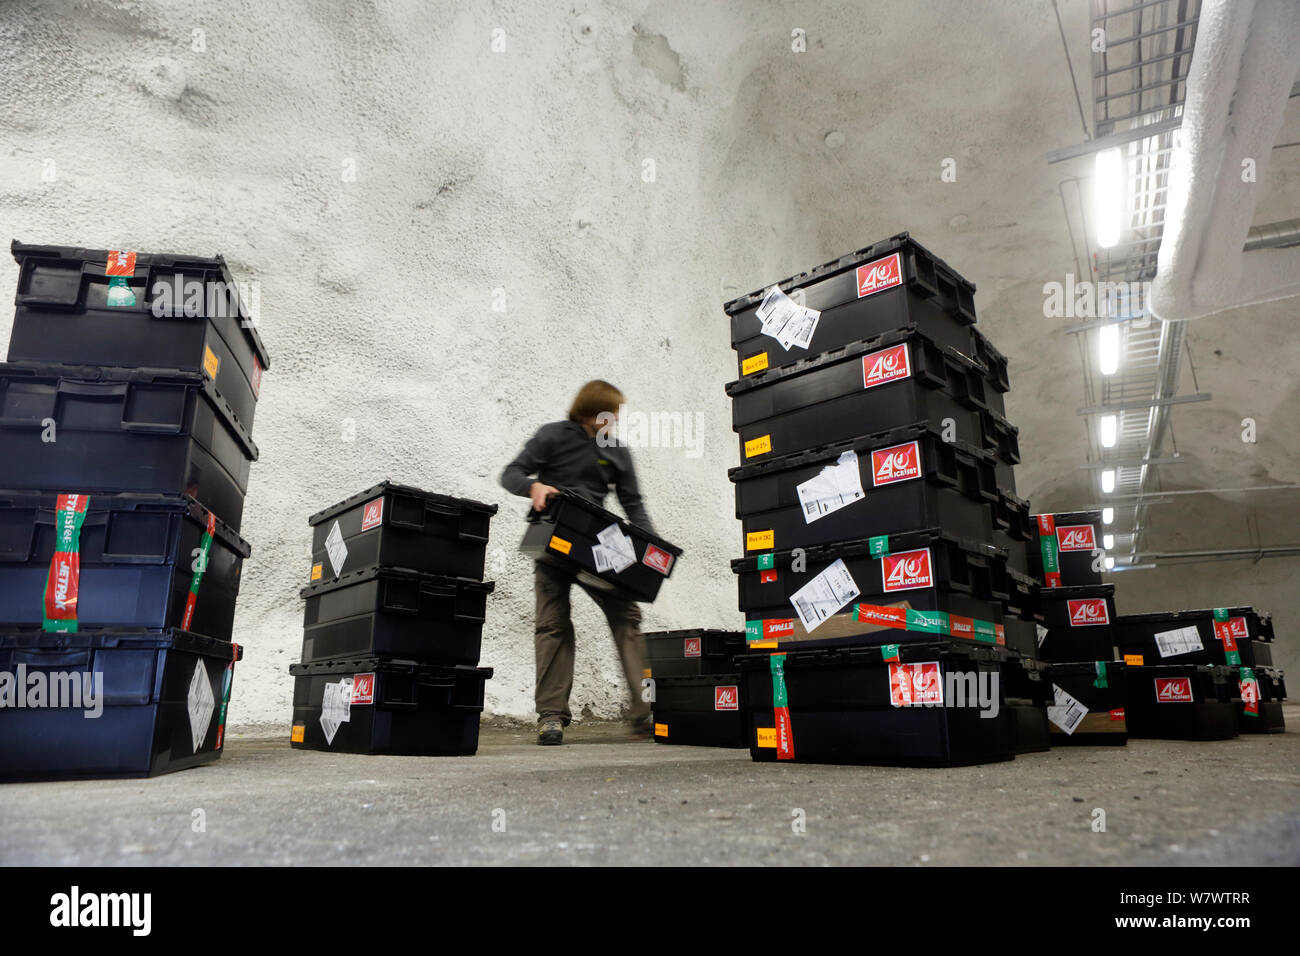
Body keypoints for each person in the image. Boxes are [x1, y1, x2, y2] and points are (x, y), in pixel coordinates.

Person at [500, 380, 654, 746]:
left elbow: (634, 504)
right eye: (611, 411)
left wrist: (650, 549)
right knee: (552, 625)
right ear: (592, 410)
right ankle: (551, 716)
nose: (615, 419)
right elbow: (511, 473)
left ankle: (646, 711)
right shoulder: (553, 436)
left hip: (598, 546)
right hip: (552, 542)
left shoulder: (615, 450)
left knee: (628, 618)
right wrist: (533, 487)